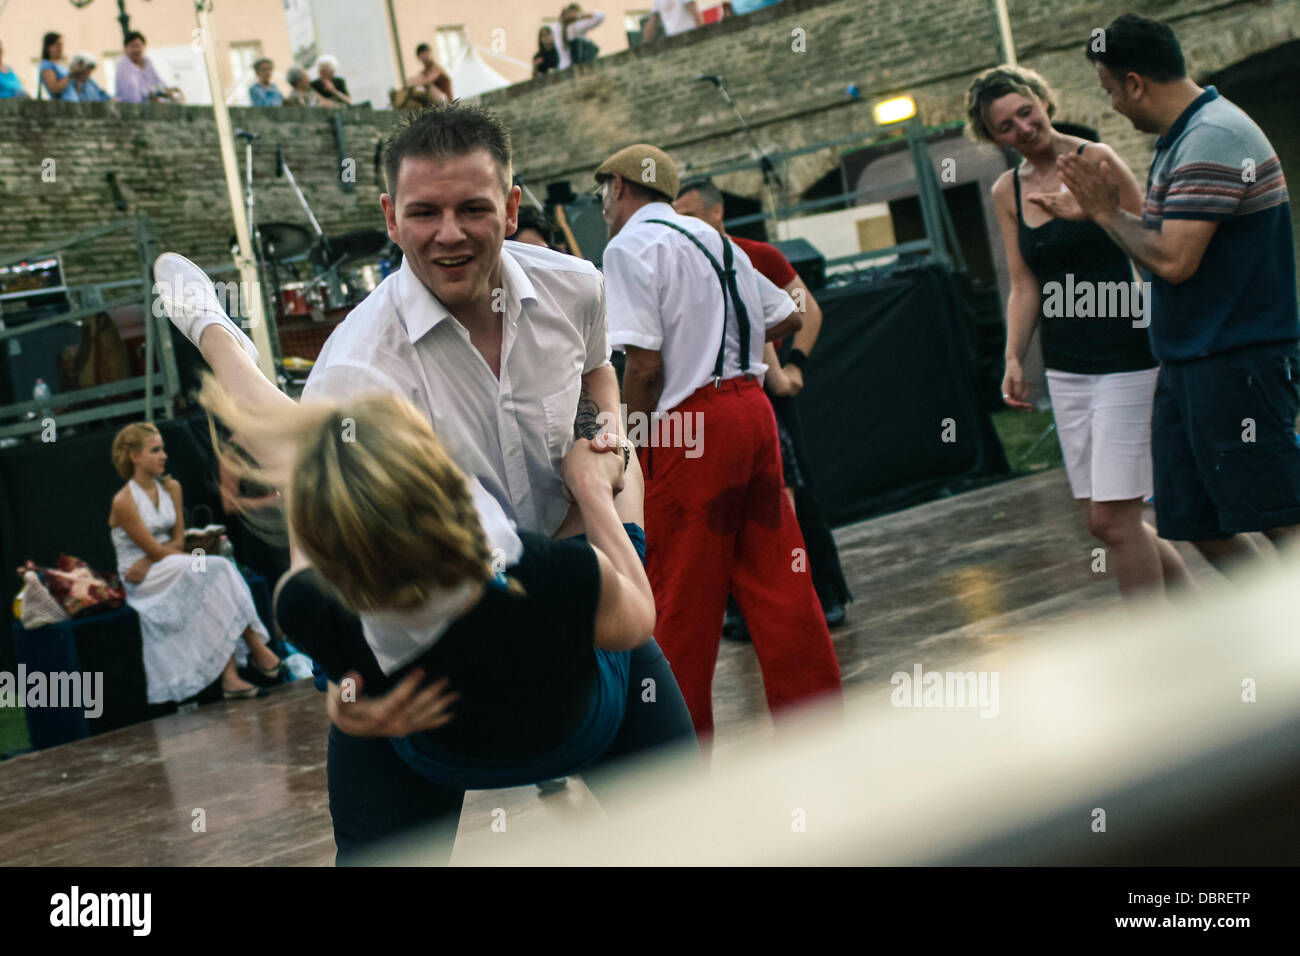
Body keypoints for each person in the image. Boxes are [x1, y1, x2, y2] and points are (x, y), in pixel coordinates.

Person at [155, 251, 696, 863]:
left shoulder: (310, 609)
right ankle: (219, 341)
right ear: (432, 472)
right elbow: (637, 620)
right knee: (621, 485)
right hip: (576, 724)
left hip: (430, 741)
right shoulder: (549, 575)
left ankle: (215, 335)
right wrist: (596, 491)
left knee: (303, 444)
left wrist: (347, 701)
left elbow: (315, 545)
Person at [1030, 14, 1300, 575]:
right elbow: (1161, 243)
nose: (1111, 107)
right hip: (1189, 362)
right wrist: (1105, 217)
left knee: (1279, 515)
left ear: (1134, 83)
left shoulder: (1214, 139)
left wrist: (1107, 213)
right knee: (1195, 522)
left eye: (1108, 90)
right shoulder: (1182, 140)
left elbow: (1174, 261)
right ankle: (1272, 628)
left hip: (1235, 361)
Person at [598, 143, 842, 738]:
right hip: (752, 412)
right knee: (780, 578)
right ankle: (818, 726)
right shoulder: (718, 239)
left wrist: (630, 438)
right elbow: (787, 313)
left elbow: (646, 366)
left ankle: (676, 751)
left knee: (681, 593)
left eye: (602, 189)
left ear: (621, 188)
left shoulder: (630, 245)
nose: (601, 202)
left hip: (691, 425)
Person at [965, 64, 1191, 601]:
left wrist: (1094, 215)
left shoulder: (1097, 159)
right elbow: (1025, 285)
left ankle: (1154, 652)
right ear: (993, 138)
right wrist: (1014, 358)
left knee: (1115, 519)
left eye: (1026, 111)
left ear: (1044, 103)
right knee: (1104, 521)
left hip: (1128, 354)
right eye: (1005, 126)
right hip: (1068, 367)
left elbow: (1153, 242)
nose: (1022, 127)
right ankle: (1197, 625)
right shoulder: (1006, 191)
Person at [675, 178, 852, 628]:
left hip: (761, 397)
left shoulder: (758, 256)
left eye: (691, 214)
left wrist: (793, 367)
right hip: (717, 401)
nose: (683, 224)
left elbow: (804, 311)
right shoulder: (680, 263)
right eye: (677, 216)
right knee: (726, 501)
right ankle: (744, 606)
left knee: (796, 495)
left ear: (718, 213)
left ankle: (825, 591)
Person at [108, 421, 283, 703]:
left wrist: (167, 554)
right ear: (135, 457)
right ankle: (257, 647)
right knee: (215, 568)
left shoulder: (172, 487)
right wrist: (161, 556)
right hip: (142, 576)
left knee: (216, 572)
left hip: (167, 562)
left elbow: (177, 542)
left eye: (163, 449)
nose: (164, 455)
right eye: (155, 450)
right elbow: (152, 550)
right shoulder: (124, 501)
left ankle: (231, 678)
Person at [115, 32, 179, 103]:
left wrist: (166, 91)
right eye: (132, 46)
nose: (136, 50)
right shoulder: (123, 64)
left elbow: (158, 82)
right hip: (132, 107)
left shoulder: (147, 62)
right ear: (125, 48)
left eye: (138, 46)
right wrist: (154, 92)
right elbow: (133, 91)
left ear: (144, 47)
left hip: (152, 106)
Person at [38, 32, 71, 101]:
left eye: (61, 45)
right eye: (57, 45)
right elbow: (54, 88)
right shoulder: (47, 65)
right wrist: (72, 75)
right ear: (49, 47)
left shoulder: (61, 65)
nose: (61, 48)